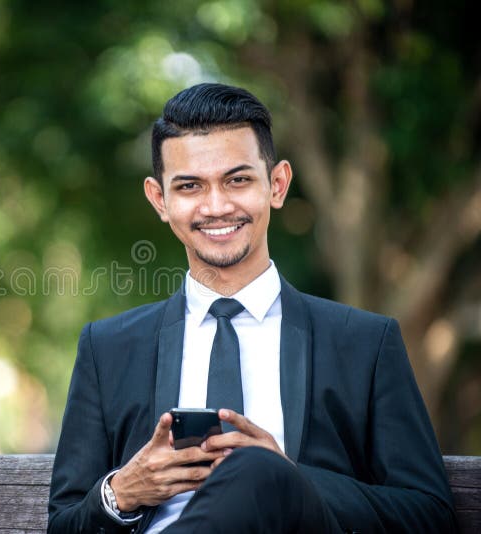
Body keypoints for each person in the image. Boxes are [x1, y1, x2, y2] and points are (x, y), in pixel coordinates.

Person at [47, 83, 457, 533]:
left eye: (237, 180)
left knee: (256, 471)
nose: (217, 206)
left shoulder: (364, 343)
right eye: (189, 186)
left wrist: (287, 480)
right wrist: (122, 492)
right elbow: (63, 524)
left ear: (277, 185)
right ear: (160, 200)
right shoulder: (108, 349)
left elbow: (430, 516)